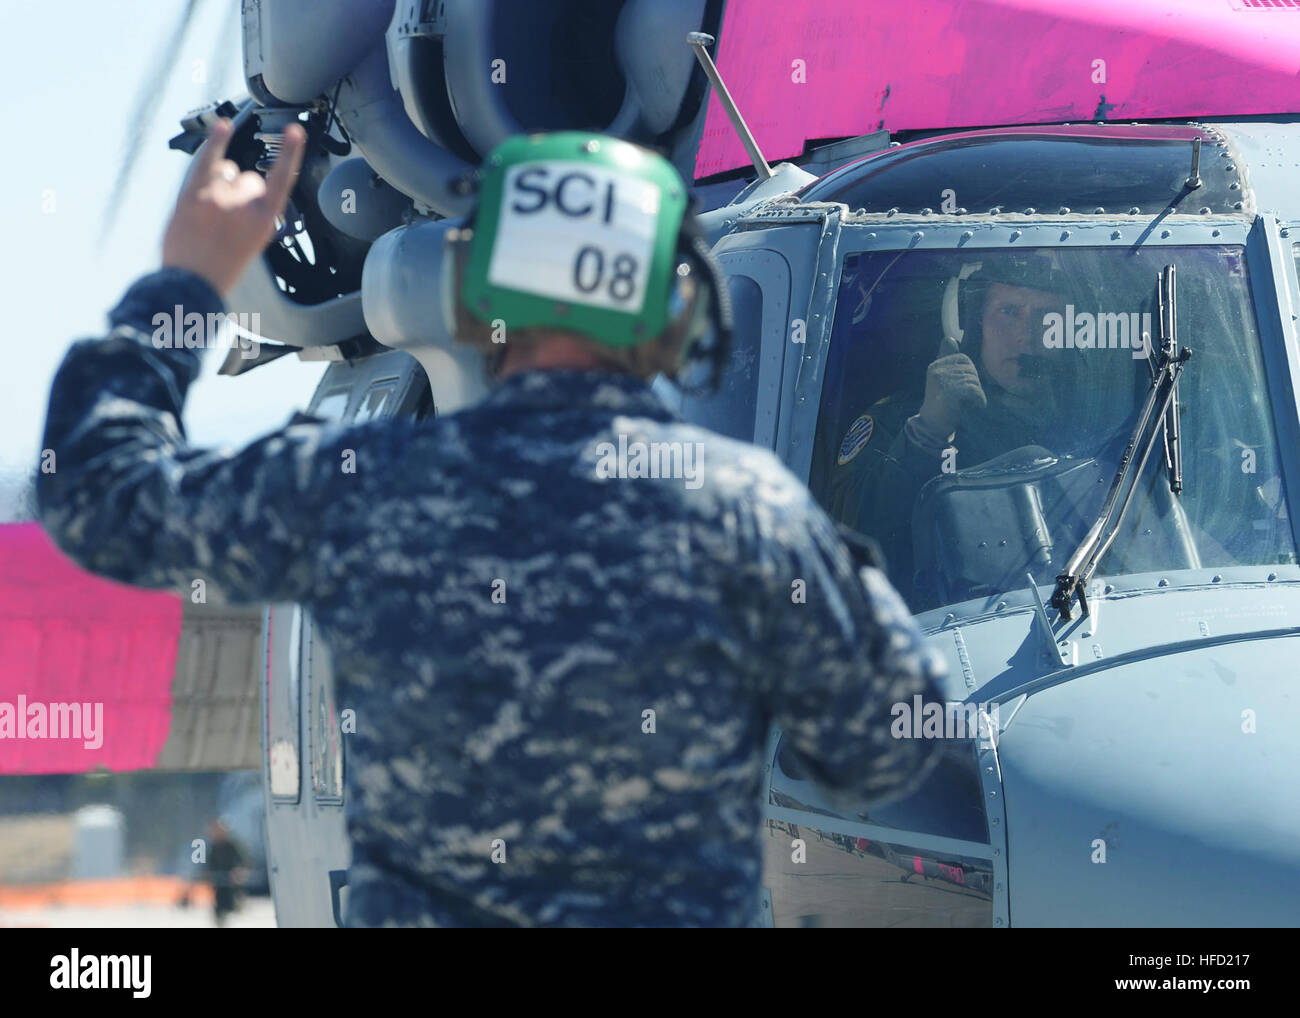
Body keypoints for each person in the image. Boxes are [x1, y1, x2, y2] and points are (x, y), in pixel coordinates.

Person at [38, 122, 946, 926]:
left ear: (477, 302)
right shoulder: (750, 512)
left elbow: (104, 496)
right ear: (671, 308)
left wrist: (184, 284)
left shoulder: (367, 487)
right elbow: (889, 739)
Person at [826, 257, 1070, 599]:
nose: (1026, 337)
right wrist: (926, 434)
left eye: (1047, 318)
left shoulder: (1101, 415)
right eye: (1009, 312)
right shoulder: (897, 422)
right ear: (968, 325)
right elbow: (850, 548)